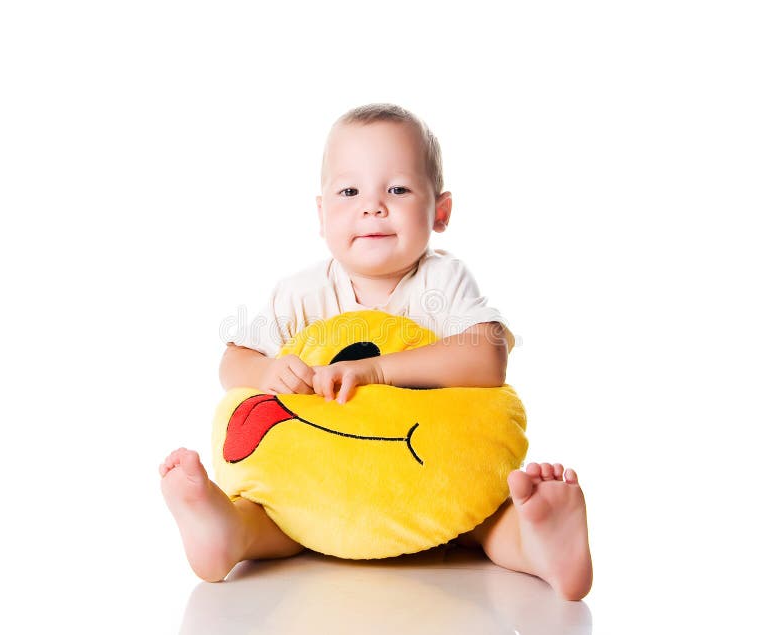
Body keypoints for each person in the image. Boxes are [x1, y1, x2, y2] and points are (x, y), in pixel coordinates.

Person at [159, 103, 593, 601]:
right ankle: (225, 532)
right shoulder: (302, 294)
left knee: (485, 514)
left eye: (398, 189)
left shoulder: (441, 281)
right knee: (271, 513)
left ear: (441, 212)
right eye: (349, 191)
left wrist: (377, 370)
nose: (373, 206)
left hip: (432, 492)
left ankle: (539, 542)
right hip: (323, 494)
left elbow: (488, 358)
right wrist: (269, 369)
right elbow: (231, 364)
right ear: (321, 214)